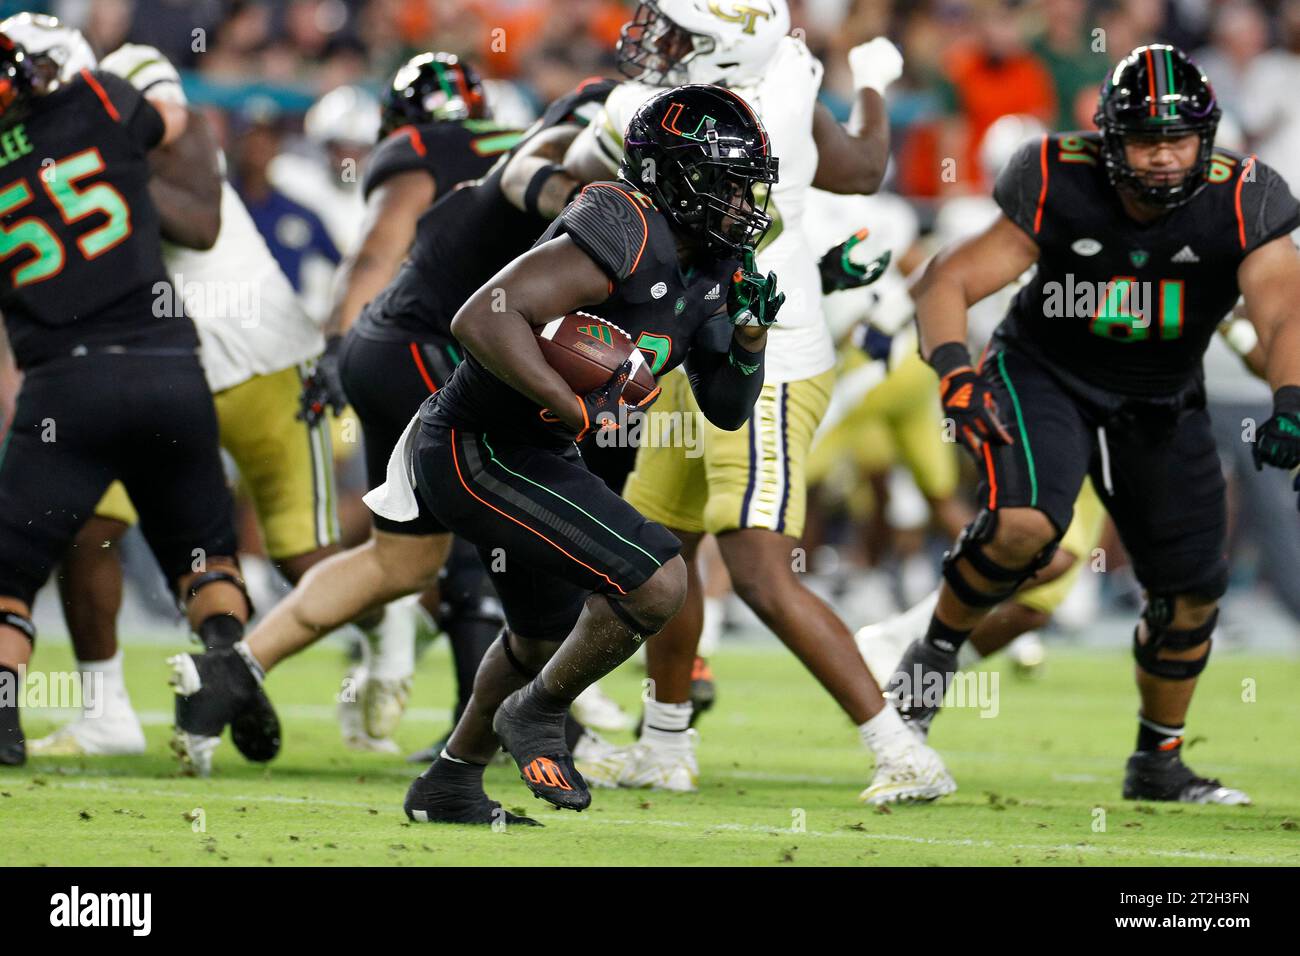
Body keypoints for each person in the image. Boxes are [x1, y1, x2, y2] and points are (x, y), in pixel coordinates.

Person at [163, 75, 615, 776]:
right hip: (424, 343)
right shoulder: (534, 162)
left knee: (404, 560)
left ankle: (231, 672)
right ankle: (513, 718)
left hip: (398, 343)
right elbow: (381, 243)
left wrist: (344, 344)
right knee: (495, 536)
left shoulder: (525, 155)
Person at [564, 0, 954, 805]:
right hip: (705, 339)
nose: (655, 40)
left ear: (730, 42)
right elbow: (858, 168)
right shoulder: (784, 74)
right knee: (658, 553)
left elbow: (574, 164)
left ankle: (902, 749)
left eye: (677, 31)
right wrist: (873, 85)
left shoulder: (682, 104)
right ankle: (666, 742)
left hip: (765, 353)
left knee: (758, 570)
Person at [893, 45, 1300, 805]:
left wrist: (1292, 402)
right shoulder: (1056, 174)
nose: (1165, 157)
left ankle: (1158, 761)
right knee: (1021, 528)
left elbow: (1283, 309)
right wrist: (954, 374)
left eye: (1178, 139)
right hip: (1047, 372)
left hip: (1162, 398)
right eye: (1146, 140)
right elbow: (948, 278)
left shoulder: (1244, 197)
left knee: (1193, 593)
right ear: (1111, 140)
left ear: (1206, 139)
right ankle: (933, 657)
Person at [0, 32, 260, 766]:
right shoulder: (103, 97)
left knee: (10, 575)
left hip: (65, 384)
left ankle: (3, 716)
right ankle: (225, 663)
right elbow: (177, 125)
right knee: (207, 557)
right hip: (169, 368)